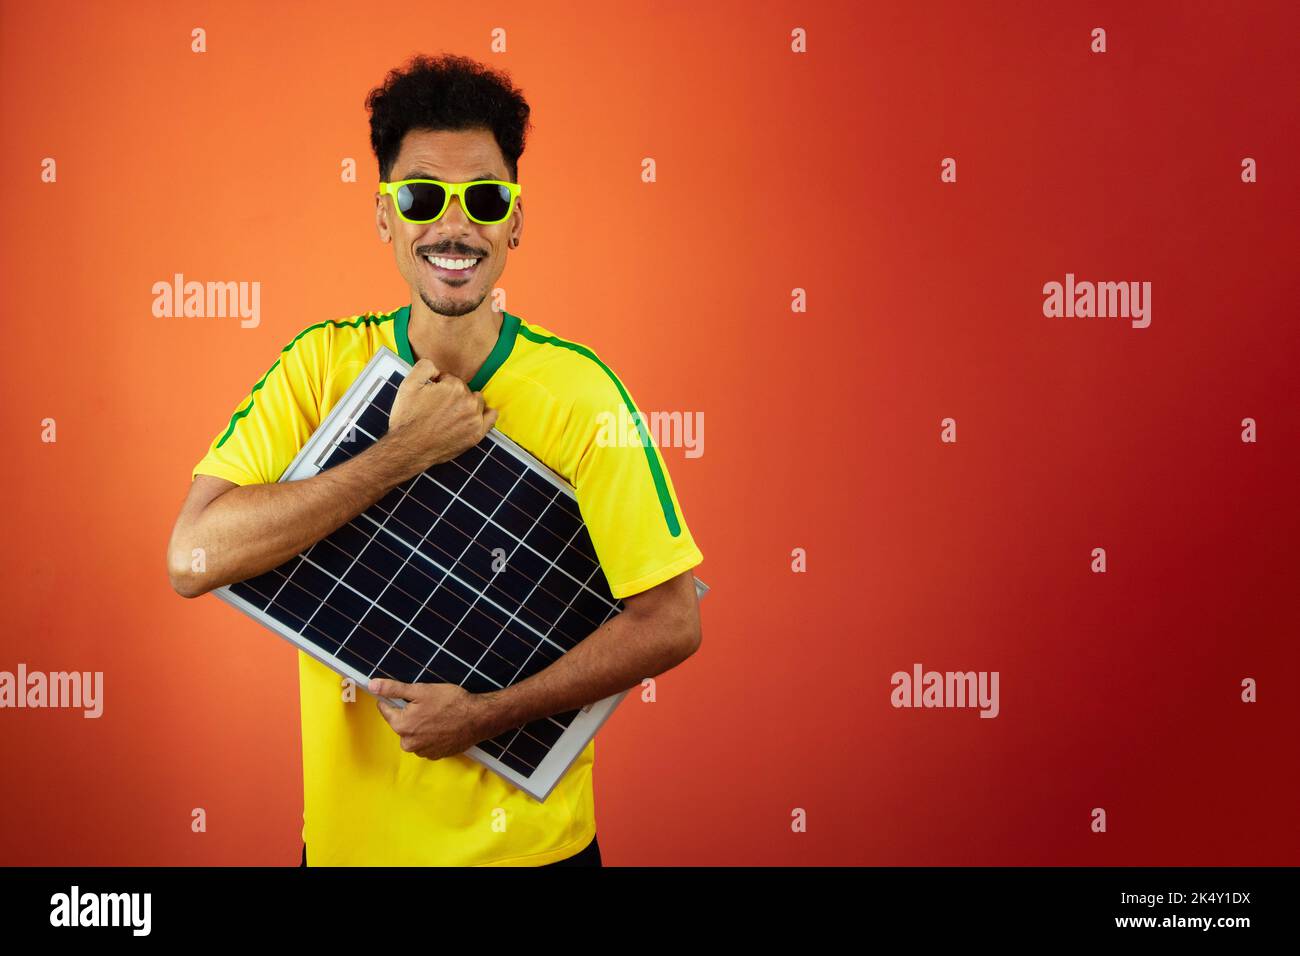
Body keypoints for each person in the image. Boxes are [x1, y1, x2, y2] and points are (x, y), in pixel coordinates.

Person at [167, 53, 704, 866]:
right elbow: (192, 556)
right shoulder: (319, 368)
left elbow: (671, 619)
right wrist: (401, 451)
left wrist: (485, 715)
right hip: (351, 851)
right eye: (421, 196)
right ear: (385, 216)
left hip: (533, 854)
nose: (454, 228)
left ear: (516, 220)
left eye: (485, 199)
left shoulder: (583, 392)